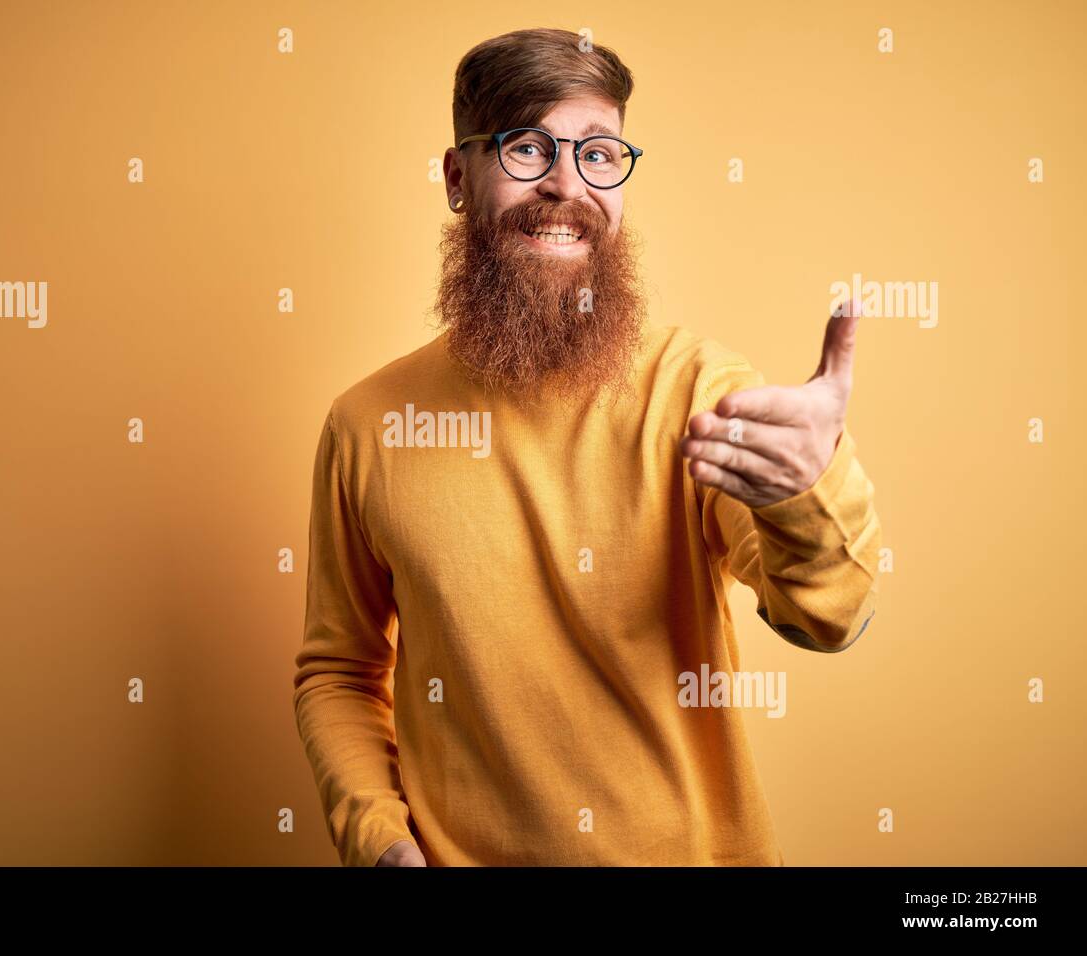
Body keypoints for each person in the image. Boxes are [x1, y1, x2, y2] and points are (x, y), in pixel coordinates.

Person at [292, 27, 881, 866]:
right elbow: (339, 673)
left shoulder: (700, 390)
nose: (566, 185)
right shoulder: (366, 425)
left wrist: (809, 493)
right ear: (459, 179)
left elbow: (831, 620)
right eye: (526, 148)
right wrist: (376, 836)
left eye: (599, 154)